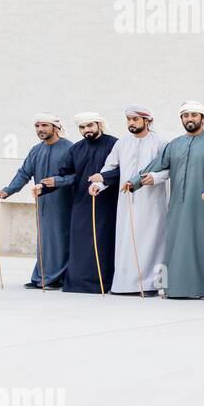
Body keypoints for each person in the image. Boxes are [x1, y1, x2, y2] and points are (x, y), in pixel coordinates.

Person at [129, 101, 204, 299]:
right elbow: (157, 164)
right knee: (175, 242)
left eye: (194, 115)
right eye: (185, 115)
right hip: (178, 204)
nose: (189, 119)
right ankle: (174, 288)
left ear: (202, 119)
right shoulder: (175, 144)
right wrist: (135, 181)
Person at [89, 106, 169, 295]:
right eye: (129, 120)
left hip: (152, 203)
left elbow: (168, 169)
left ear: (146, 121)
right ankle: (125, 285)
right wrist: (99, 185)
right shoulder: (122, 144)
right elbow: (110, 168)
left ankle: (154, 286)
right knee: (127, 243)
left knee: (154, 244)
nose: (131, 123)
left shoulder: (161, 143)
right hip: (126, 204)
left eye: (135, 119)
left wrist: (155, 178)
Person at [0, 113, 74, 289]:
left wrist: (58, 181)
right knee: (44, 241)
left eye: (44, 125)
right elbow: (24, 173)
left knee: (60, 240)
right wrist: (7, 191)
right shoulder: (37, 150)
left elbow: (76, 175)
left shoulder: (69, 148)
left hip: (63, 204)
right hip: (43, 204)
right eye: (37, 126)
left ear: (55, 127)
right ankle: (42, 277)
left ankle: (56, 279)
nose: (40, 130)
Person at [61, 112, 119, 294]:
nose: (86, 130)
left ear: (99, 125)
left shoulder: (115, 144)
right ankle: (77, 283)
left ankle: (102, 283)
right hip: (80, 202)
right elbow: (66, 174)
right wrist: (47, 185)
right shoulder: (75, 149)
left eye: (90, 126)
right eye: (82, 127)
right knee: (80, 244)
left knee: (102, 242)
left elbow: (122, 170)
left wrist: (104, 178)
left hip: (107, 204)